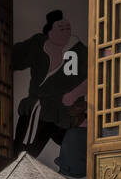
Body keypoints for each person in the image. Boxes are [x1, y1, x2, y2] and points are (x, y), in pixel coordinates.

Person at [12, 10, 88, 160]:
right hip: (40, 109)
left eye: (68, 29)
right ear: (49, 31)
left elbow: (92, 76)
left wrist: (74, 94)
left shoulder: (77, 50)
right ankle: (19, 161)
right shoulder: (38, 44)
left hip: (66, 113)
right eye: (61, 29)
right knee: (25, 149)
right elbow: (12, 57)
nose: (66, 32)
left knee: (75, 153)